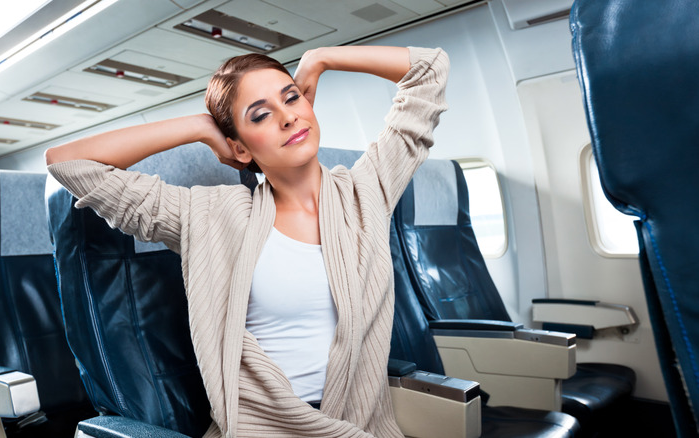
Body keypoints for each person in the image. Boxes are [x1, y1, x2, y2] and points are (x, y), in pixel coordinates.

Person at [45, 45, 449, 437]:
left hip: (358, 424)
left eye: (291, 97)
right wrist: (199, 127)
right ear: (239, 147)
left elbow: (429, 70)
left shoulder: (366, 192)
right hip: (265, 427)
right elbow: (68, 163)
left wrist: (321, 58)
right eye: (260, 115)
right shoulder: (211, 216)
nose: (287, 118)